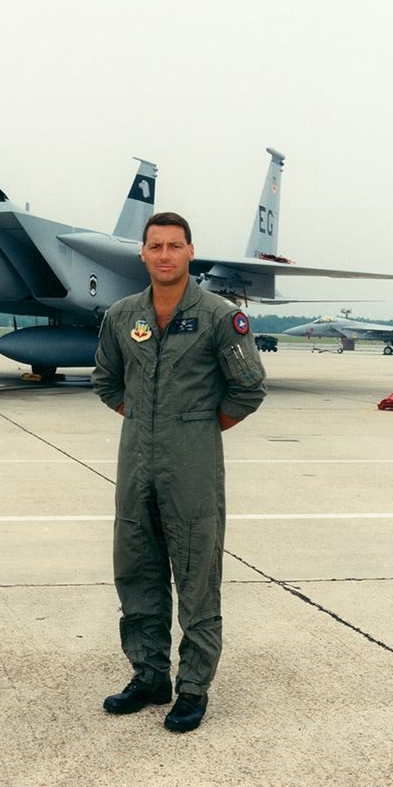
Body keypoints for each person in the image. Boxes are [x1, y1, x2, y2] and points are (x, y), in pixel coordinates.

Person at [92, 212, 267, 733]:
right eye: (155, 246)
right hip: (135, 465)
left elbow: (248, 388)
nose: (164, 255)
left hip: (192, 465)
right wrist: (143, 420)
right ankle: (149, 676)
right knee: (137, 571)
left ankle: (192, 688)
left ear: (191, 252)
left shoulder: (219, 316)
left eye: (174, 246)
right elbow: (106, 379)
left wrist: (197, 427)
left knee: (196, 577)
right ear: (143, 254)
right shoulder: (123, 316)